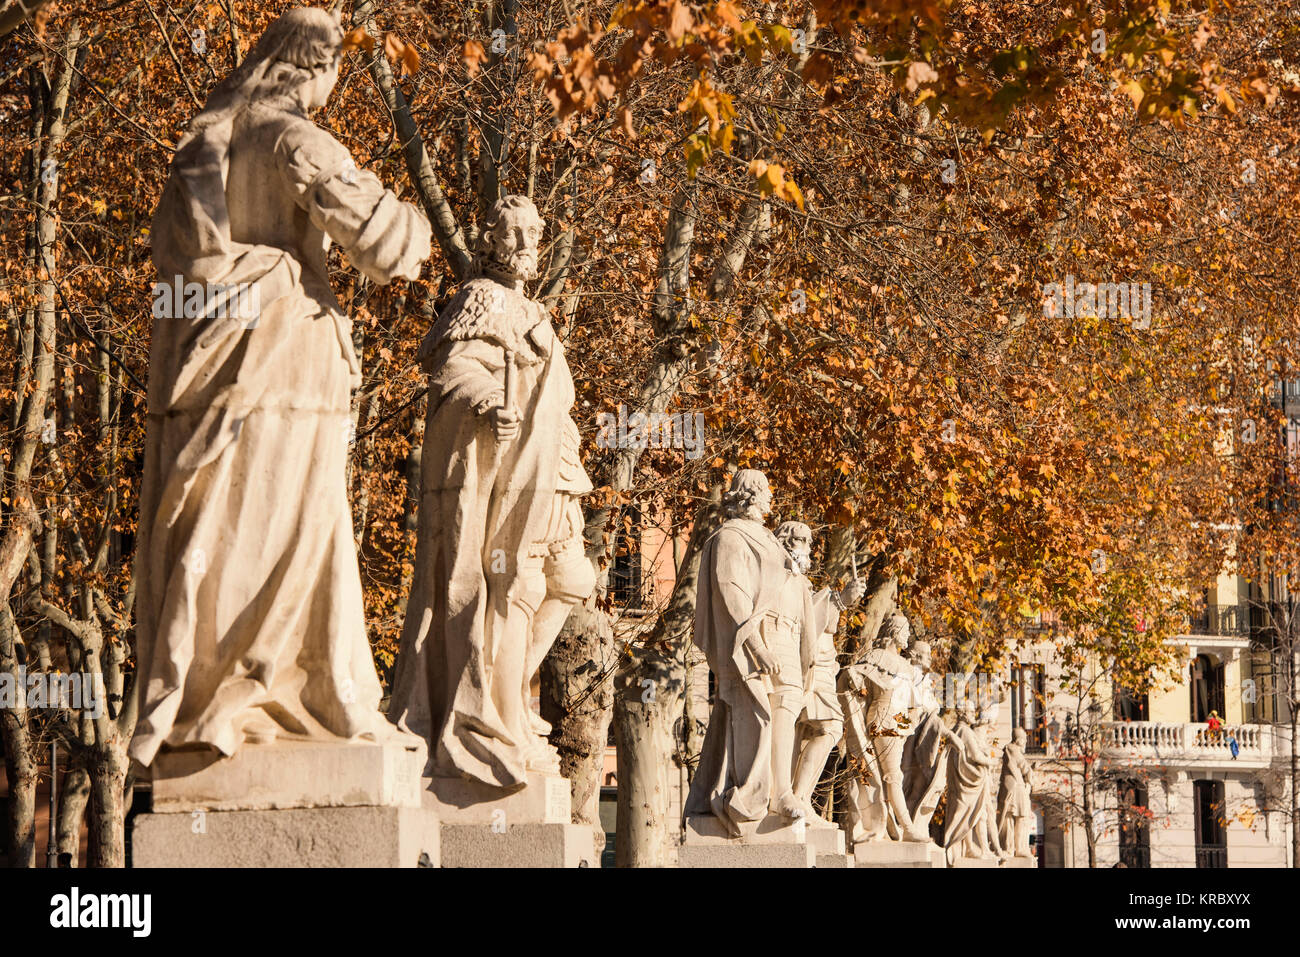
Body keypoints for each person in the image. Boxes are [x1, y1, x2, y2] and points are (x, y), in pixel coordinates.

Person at [132, 7, 431, 765]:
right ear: (314, 66)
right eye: (334, 68)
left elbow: (181, 266)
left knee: (226, 522)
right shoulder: (292, 137)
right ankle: (284, 691)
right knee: (295, 524)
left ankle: (217, 696)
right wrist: (419, 226)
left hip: (214, 362)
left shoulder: (204, 141)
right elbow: (388, 244)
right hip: (289, 356)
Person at [389, 195, 594, 789]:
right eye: (515, 234)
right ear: (490, 241)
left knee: (573, 580)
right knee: (516, 583)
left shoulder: (535, 311)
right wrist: (487, 401)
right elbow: (455, 369)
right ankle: (503, 713)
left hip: (550, 463)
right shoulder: (481, 298)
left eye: (535, 233)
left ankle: (510, 694)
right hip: (503, 466)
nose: (528, 244)